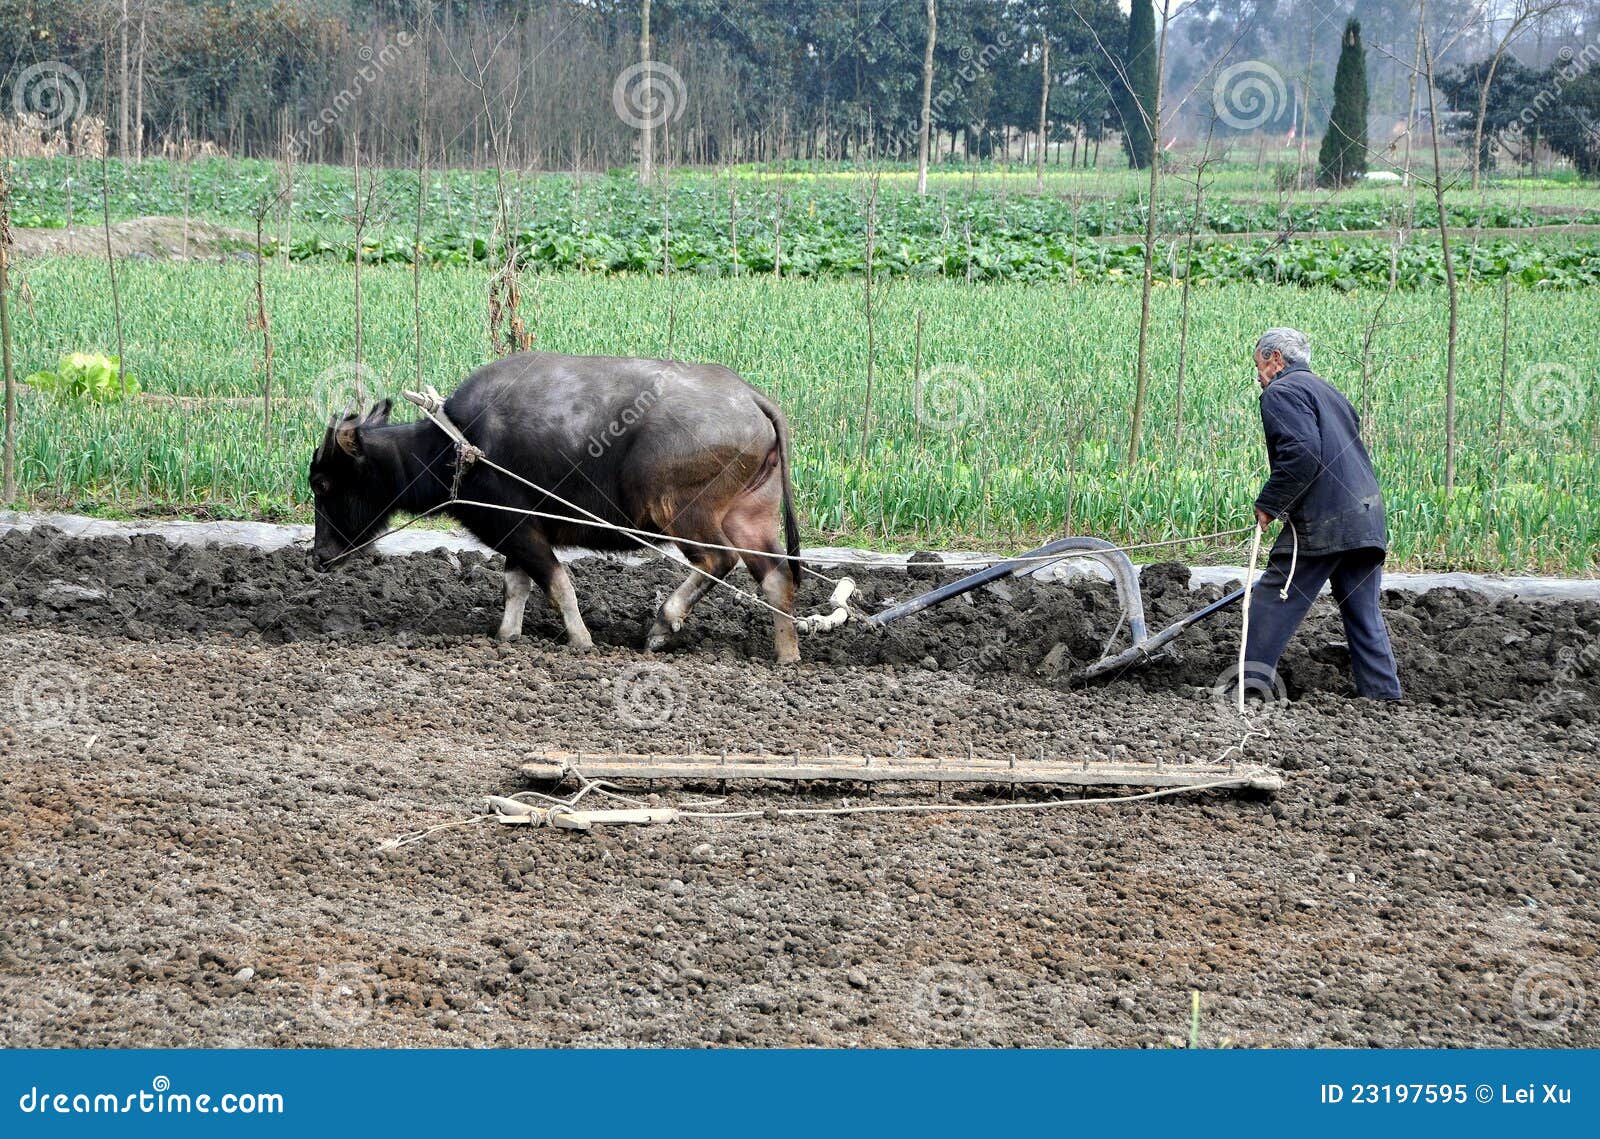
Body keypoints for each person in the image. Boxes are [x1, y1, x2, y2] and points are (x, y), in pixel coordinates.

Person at [1242, 327, 1402, 700]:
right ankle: (1383, 698)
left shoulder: (1281, 392)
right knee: (1364, 616)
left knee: (1272, 600)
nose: (1258, 375)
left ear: (1276, 359)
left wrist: (1270, 502)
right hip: (1366, 518)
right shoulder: (1332, 393)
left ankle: (1247, 689)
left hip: (1323, 520)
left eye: (1259, 365)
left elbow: (1303, 454)